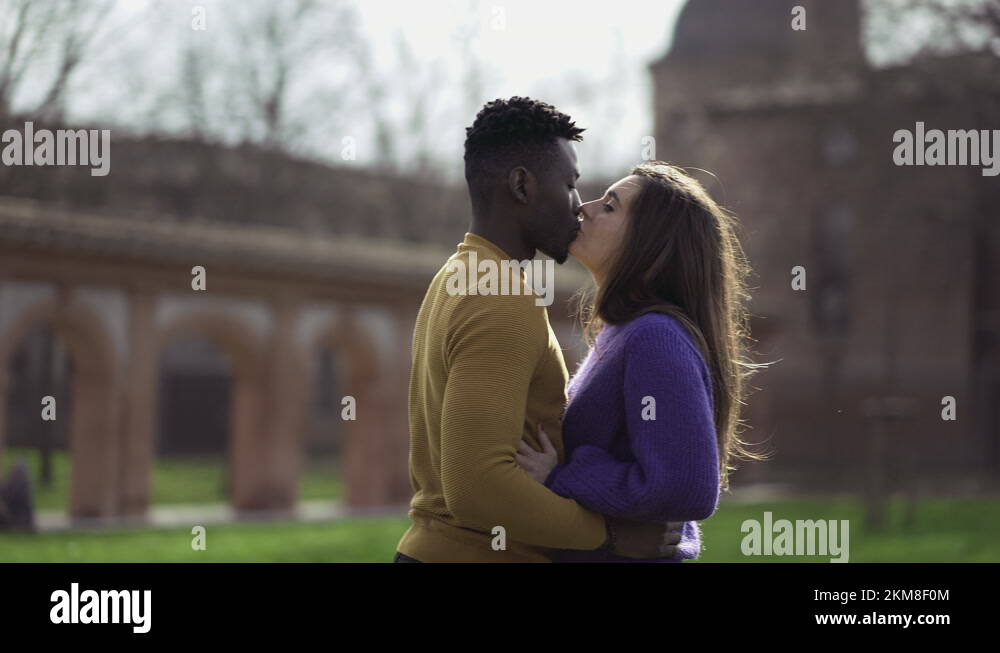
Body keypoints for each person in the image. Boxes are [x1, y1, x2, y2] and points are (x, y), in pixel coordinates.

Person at [394, 97, 681, 562]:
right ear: (522, 185)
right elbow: (477, 485)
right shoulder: (501, 297)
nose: (578, 205)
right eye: (569, 185)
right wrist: (610, 536)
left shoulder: (459, 273)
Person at [515, 162, 765, 562]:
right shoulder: (628, 331)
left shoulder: (655, 337)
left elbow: (686, 487)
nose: (586, 207)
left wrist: (561, 475)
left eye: (610, 206)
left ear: (651, 241)